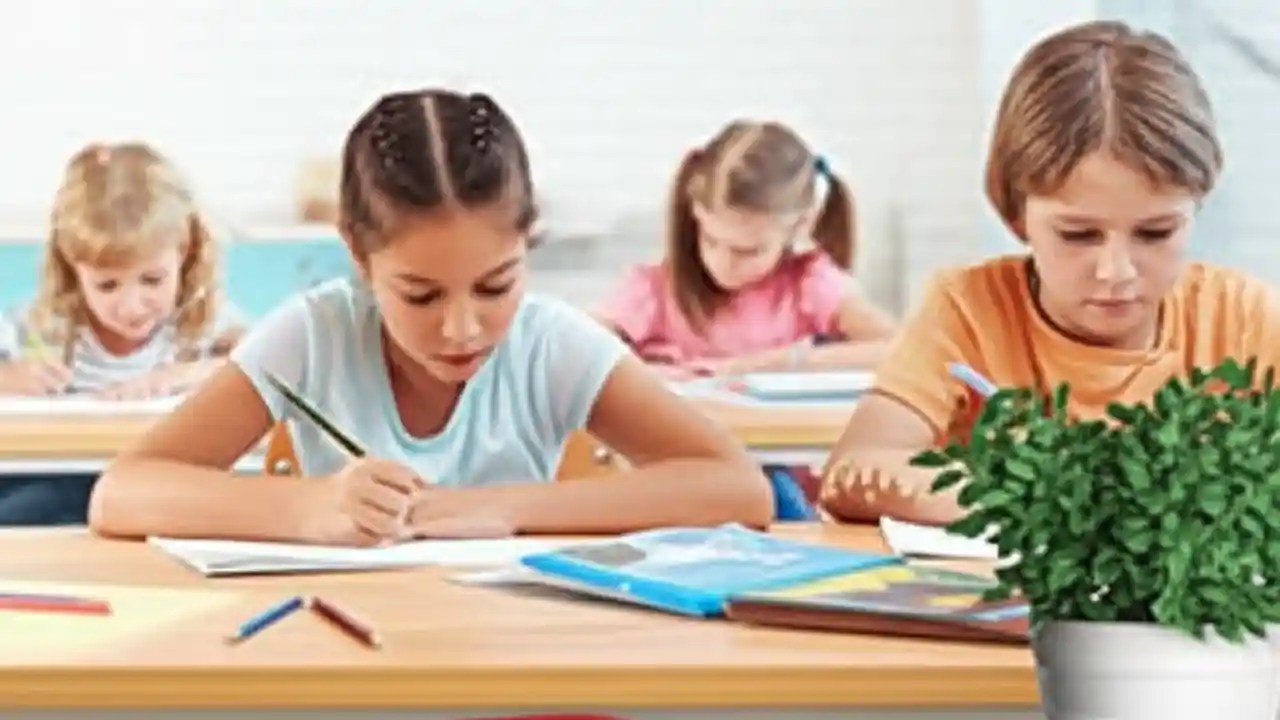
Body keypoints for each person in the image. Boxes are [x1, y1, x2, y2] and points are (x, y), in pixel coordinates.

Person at [89, 88, 772, 544]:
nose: (462, 328)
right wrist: (310, 507)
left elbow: (738, 488)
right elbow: (123, 492)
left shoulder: (549, 343)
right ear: (358, 254)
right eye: (420, 295)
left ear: (526, 243)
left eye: (496, 285)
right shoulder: (315, 334)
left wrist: (506, 507)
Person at [820, 20, 1280, 525]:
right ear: (1017, 216)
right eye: (1078, 235)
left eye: (1155, 233)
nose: (1115, 271)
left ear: (1196, 210)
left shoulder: (1246, 319)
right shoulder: (968, 309)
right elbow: (853, 470)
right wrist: (1028, 500)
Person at [597, 121, 895, 377]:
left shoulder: (810, 286)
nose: (721, 262)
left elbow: (903, 350)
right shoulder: (652, 290)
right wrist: (635, 371)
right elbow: (576, 347)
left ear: (801, 224)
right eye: (710, 240)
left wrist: (780, 363)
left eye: (747, 251)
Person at [0, 142, 241, 400]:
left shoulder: (201, 319)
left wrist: (181, 375)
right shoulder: (38, 325)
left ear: (185, 252)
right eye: (107, 285)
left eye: (152, 280)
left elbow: (263, 362)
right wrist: (8, 377)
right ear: (71, 265)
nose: (131, 308)